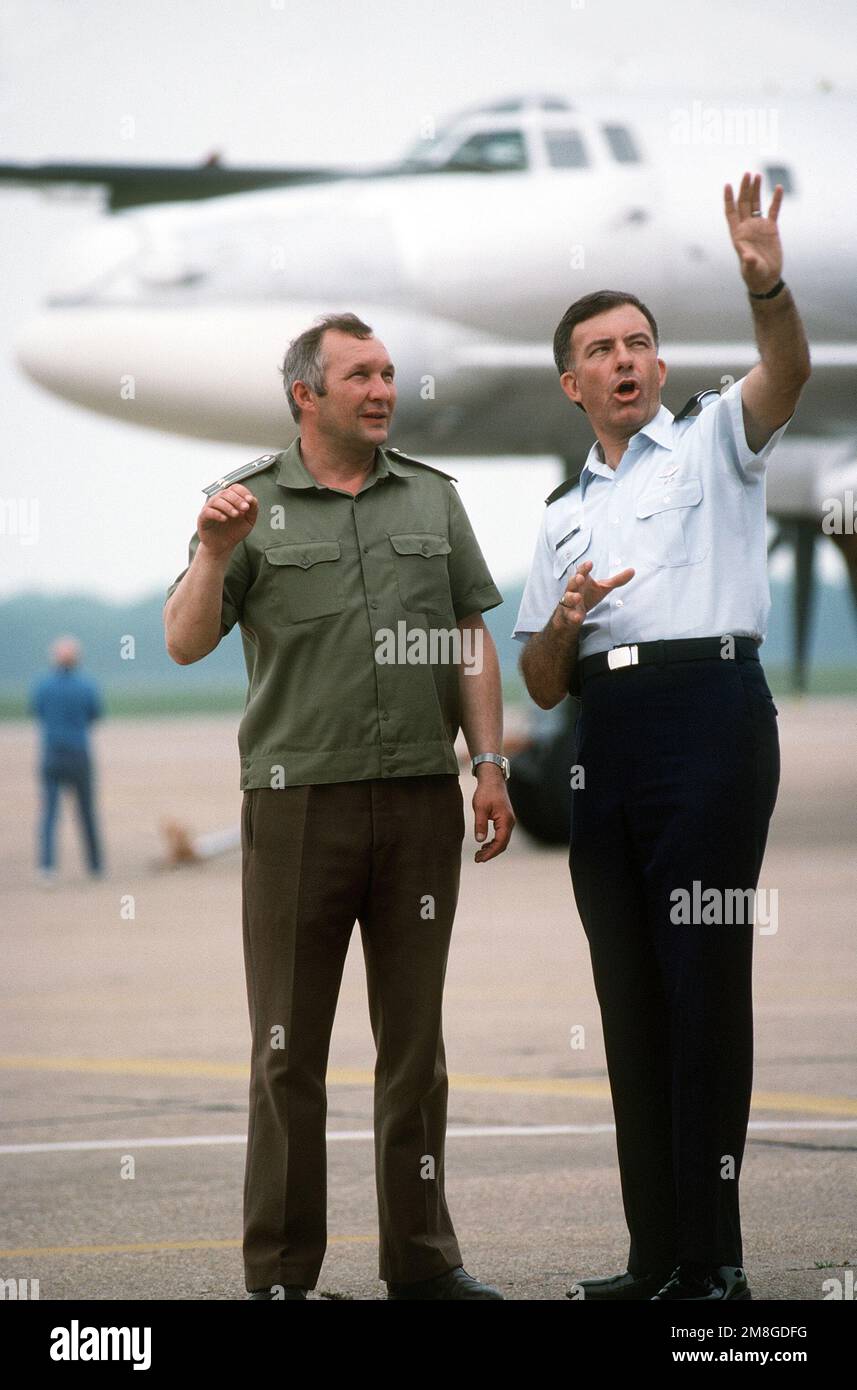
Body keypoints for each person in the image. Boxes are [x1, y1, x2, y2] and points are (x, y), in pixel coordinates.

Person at [163, 311, 515, 1301]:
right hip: (294, 809)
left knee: (415, 1052)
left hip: (417, 807)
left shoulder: (432, 501)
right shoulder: (240, 503)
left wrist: (487, 761)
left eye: (388, 373)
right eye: (359, 374)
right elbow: (186, 639)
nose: (381, 389)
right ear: (304, 395)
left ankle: (424, 1264)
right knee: (286, 1053)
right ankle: (280, 1275)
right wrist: (208, 551)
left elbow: (466, 635)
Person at [514, 173, 810, 1301]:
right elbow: (542, 677)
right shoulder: (557, 518)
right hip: (607, 734)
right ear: (571, 380)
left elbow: (785, 374)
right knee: (628, 994)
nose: (628, 359)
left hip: (710, 722)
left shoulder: (714, 445)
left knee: (701, 981)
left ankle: (714, 1260)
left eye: (639, 342)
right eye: (604, 348)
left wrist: (763, 282)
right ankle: (653, 1258)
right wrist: (570, 621)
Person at [29, 635, 105, 882]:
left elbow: (36, 712)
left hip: (51, 754)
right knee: (86, 813)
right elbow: (95, 714)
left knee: (49, 813)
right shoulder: (87, 686)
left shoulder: (42, 686)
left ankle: (47, 868)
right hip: (79, 753)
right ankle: (95, 867)